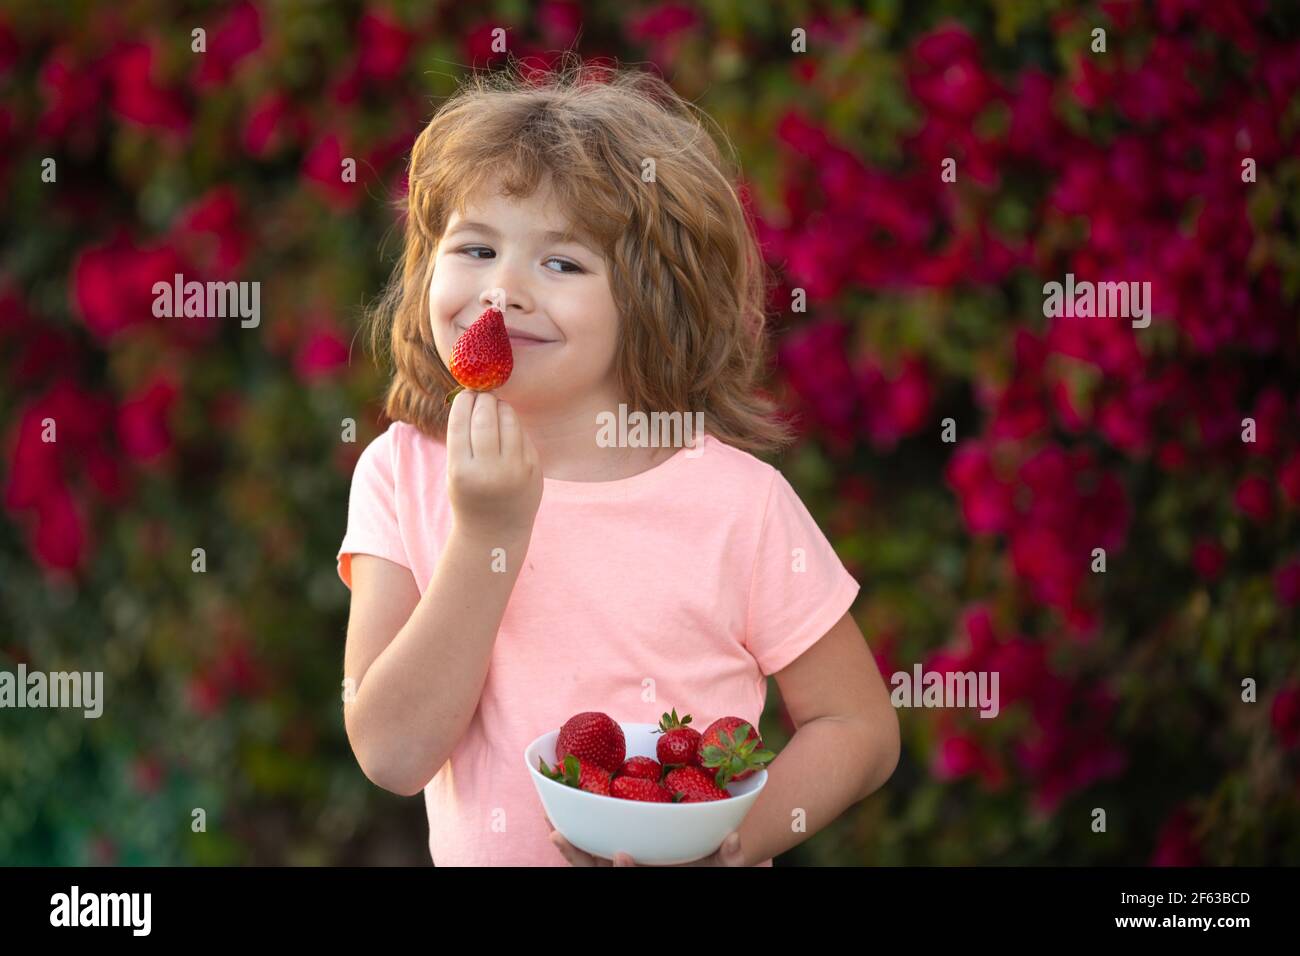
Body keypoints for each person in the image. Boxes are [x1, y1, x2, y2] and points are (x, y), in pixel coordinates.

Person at [336, 53, 899, 866]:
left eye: (561, 263)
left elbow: (858, 726)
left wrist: (736, 843)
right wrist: (487, 533)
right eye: (476, 249)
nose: (503, 290)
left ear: (650, 301)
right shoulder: (405, 473)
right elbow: (391, 752)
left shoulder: (739, 504)